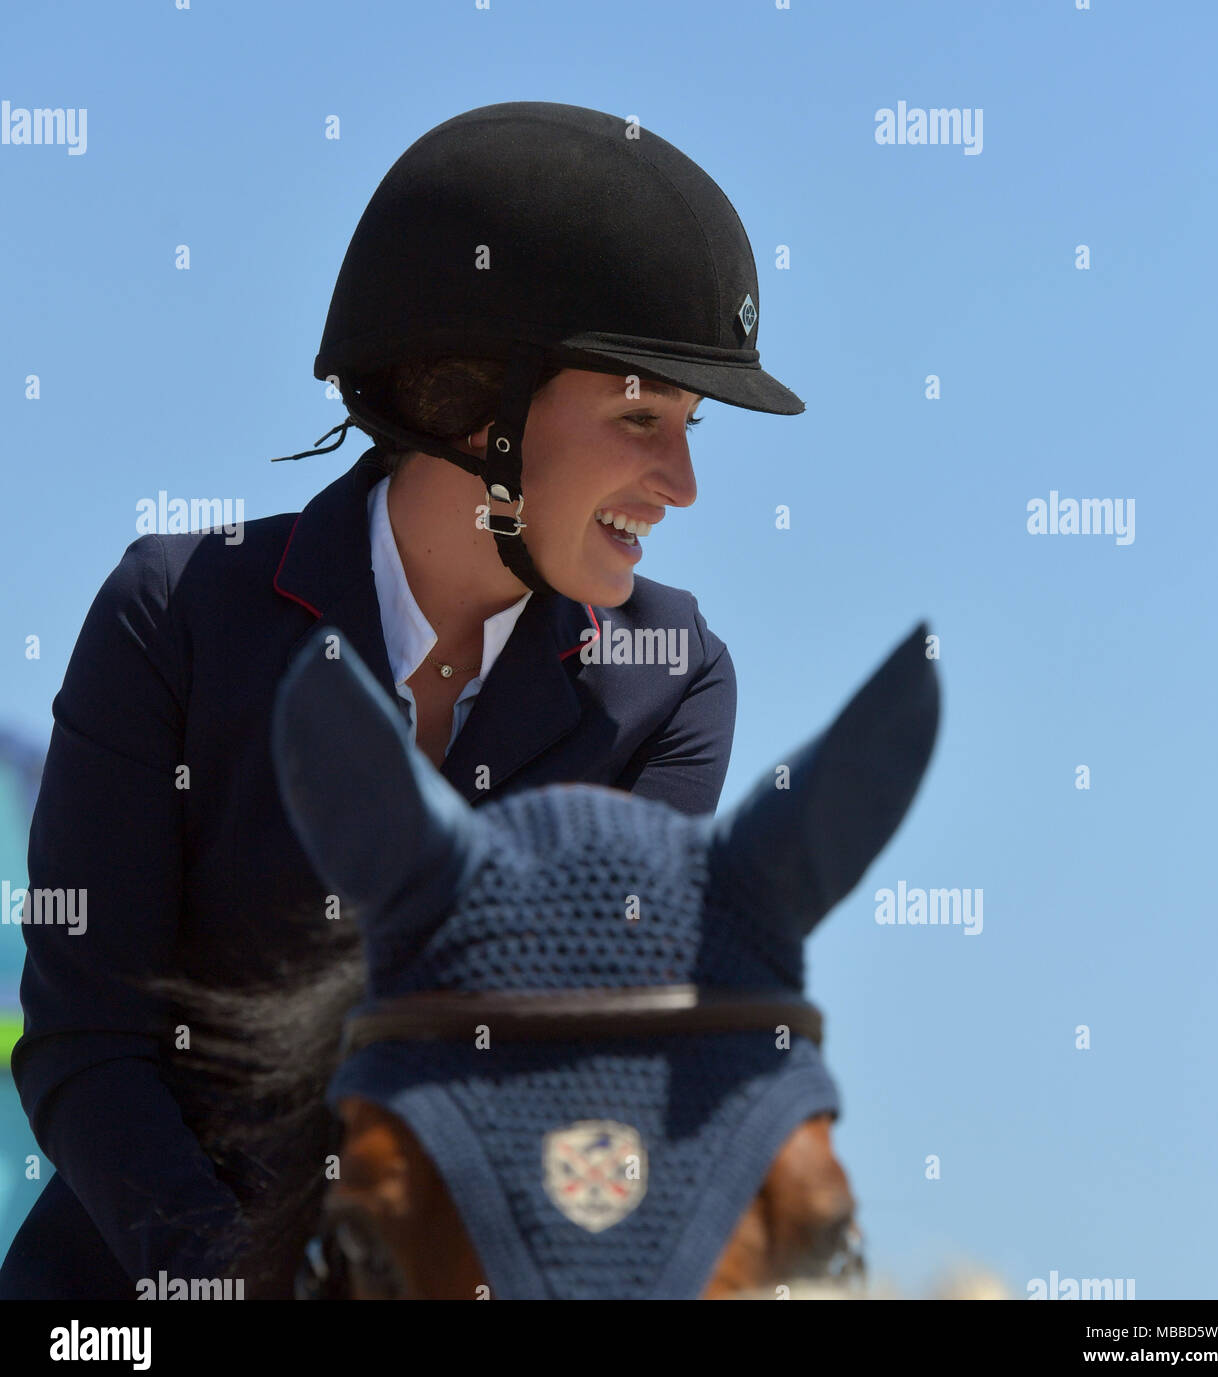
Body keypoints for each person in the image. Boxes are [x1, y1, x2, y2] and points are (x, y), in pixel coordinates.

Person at [0, 100, 806, 1298]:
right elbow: (85, 1042)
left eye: (690, 431)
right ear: (477, 405)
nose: (680, 484)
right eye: (643, 418)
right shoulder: (172, 611)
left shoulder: (671, 681)